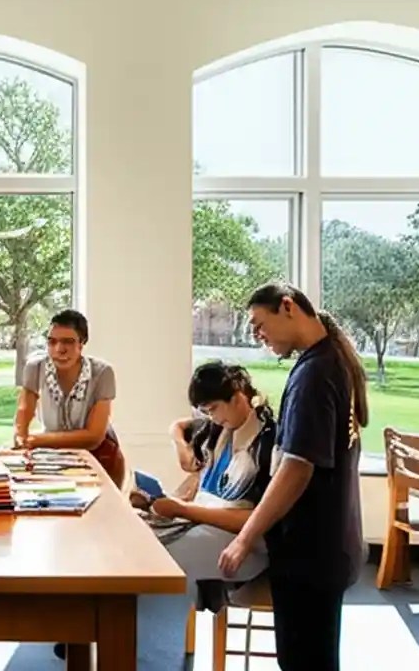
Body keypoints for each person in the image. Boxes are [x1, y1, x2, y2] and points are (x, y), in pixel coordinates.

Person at [218, 282, 369, 671]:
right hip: (330, 545)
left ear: (287, 307)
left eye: (259, 323)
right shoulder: (332, 359)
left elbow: (297, 469)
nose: (257, 335)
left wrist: (245, 537)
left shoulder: (316, 374)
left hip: (311, 552)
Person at [134, 362, 278, 608]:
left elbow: (257, 519)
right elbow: (178, 427)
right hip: (207, 524)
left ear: (237, 395)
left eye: (214, 409)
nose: (213, 418)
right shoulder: (220, 428)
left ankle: (125, 632)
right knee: (136, 532)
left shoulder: (267, 442)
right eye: (207, 412)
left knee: (151, 554)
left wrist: (182, 509)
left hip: (245, 543)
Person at [13, 309, 125, 485]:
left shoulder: (102, 373)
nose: (59, 349)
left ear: (82, 343)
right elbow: (23, 415)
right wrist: (21, 438)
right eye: (52, 342)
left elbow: (94, 437)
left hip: (99, 458)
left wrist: (35, 440)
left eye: (68, 342)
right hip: (52, 456)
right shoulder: (35, 367)